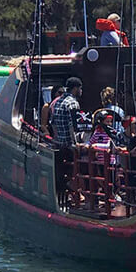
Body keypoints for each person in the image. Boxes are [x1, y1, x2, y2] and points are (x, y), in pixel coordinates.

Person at [50, 76, 83, 204]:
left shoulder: (57, 102)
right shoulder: (72, 103)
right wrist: (75, 144)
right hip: (69, 146)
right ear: (75, 89)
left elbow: (53, 123)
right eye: (80, 88)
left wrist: (58, 140)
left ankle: (68, 189)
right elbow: (73, 126)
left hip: (59, 144)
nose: (81, 91)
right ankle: (81, 190)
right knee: (87, 161)